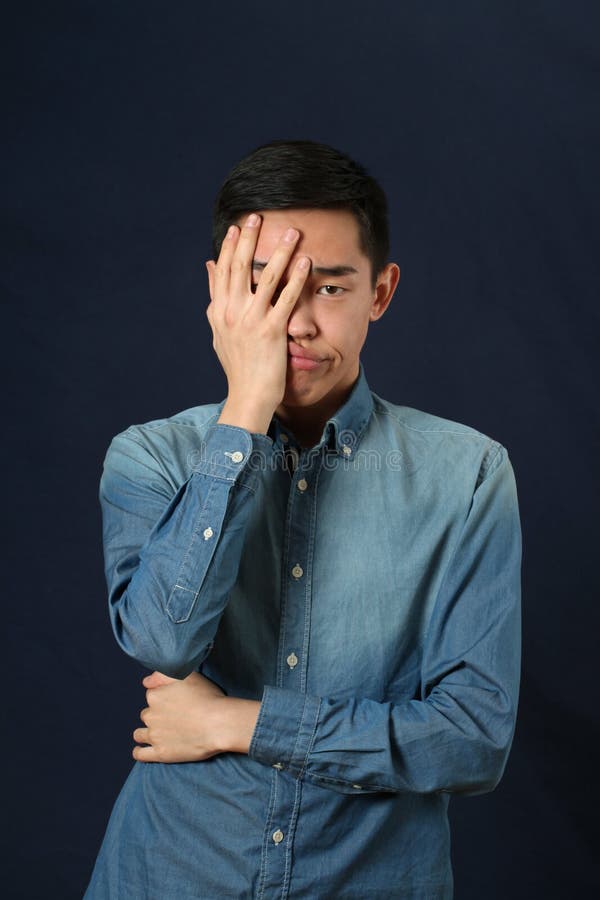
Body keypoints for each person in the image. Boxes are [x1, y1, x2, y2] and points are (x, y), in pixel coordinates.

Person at [84, 140, 521, 899]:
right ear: (223, 294)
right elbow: (162, 639)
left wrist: (238, 723)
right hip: (170, 873)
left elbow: (471, 740)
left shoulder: (469, 474)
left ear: (379, 292)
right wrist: (245, 410)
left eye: (325, 287)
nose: (294, 322)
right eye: (265, 288)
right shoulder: (149, 456)